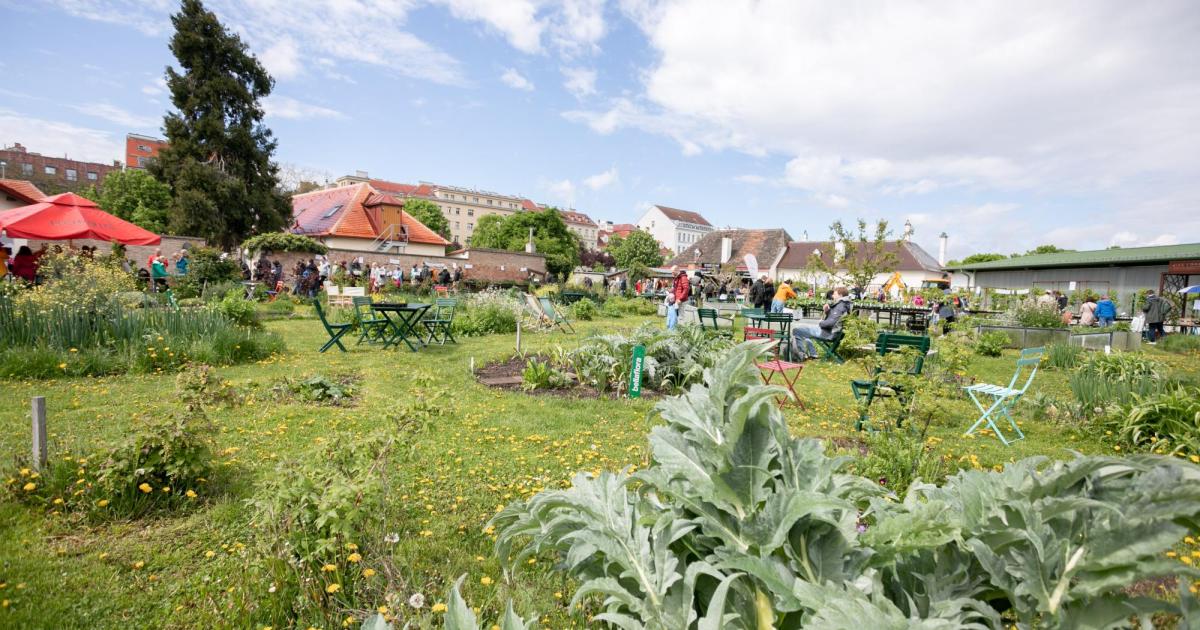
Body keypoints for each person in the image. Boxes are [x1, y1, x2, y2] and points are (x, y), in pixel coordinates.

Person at [792, 287, 853, 359]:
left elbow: (831, 323)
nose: (833, 295)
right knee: (803, 329)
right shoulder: (845, 304)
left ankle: (802, 355)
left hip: (828, 334)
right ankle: (813, 354)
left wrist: (821, 323)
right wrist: (827, 311)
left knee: (797, 330)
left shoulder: (840, 306)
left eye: (834, 294)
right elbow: (835, 319)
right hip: (833, 332)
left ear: (840, 295)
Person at [667, 265, 690, 330]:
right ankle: (677, 330)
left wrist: (680, 298)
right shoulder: (676, 278)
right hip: (677, 300)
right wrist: (671, 292)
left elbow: (686, 289)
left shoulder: (683, 277)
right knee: (676, 316)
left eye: (673, 272)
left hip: (682, 300)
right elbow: (676, 289)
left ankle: (682, 331)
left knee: (681, 316)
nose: (672, 274)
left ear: (677, 270)